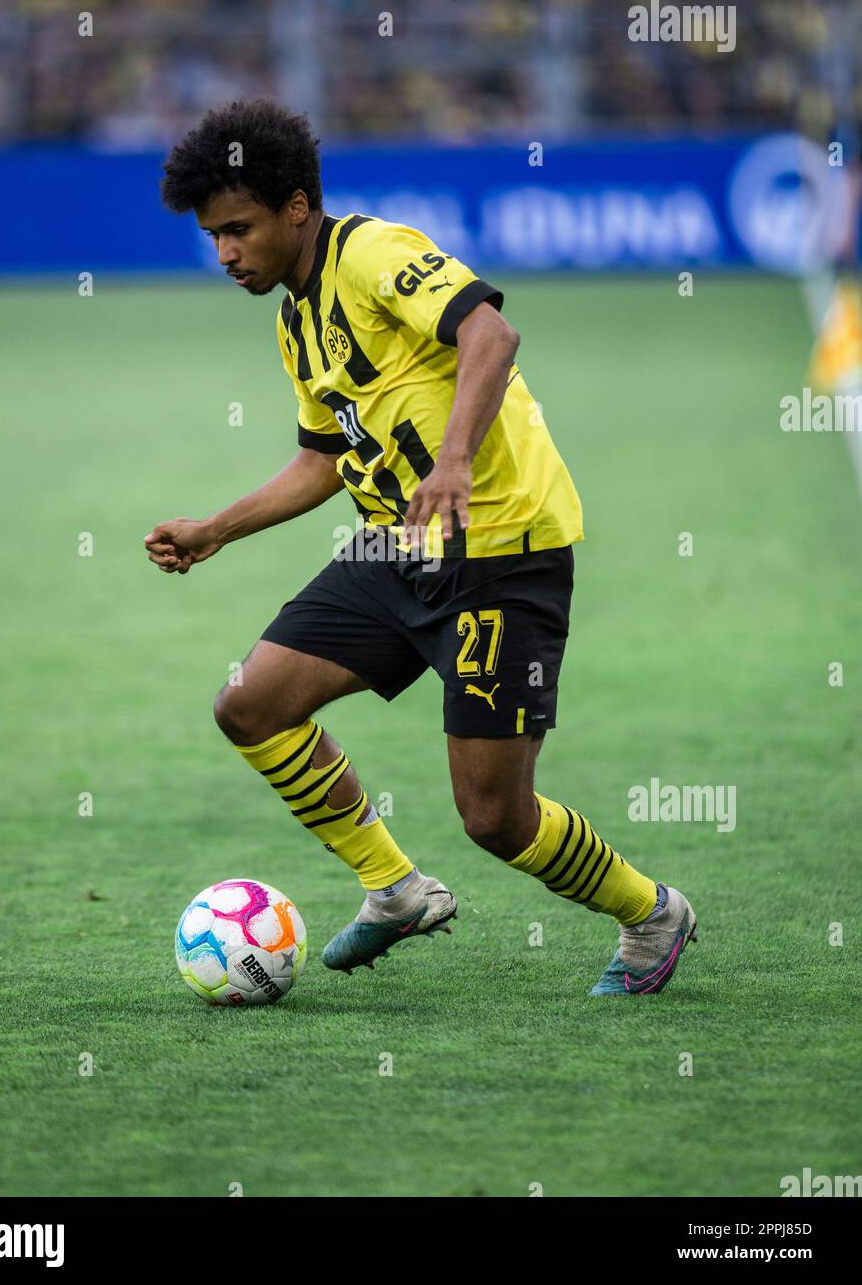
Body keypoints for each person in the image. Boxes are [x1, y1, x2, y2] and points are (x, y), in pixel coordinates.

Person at [146, 98, 697, 994]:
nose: (226, 255)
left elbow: (492, 332)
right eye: (213, 237)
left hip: (502, 549)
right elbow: (323, 462)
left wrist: (450, 465)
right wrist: (215, 530)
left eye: (238, 230)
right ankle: (393, 888)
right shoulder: (295, 322)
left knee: (494, 818)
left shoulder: (371, 254)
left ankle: (653, 915)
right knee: (249, 706)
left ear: (296, 206)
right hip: (395, 548)